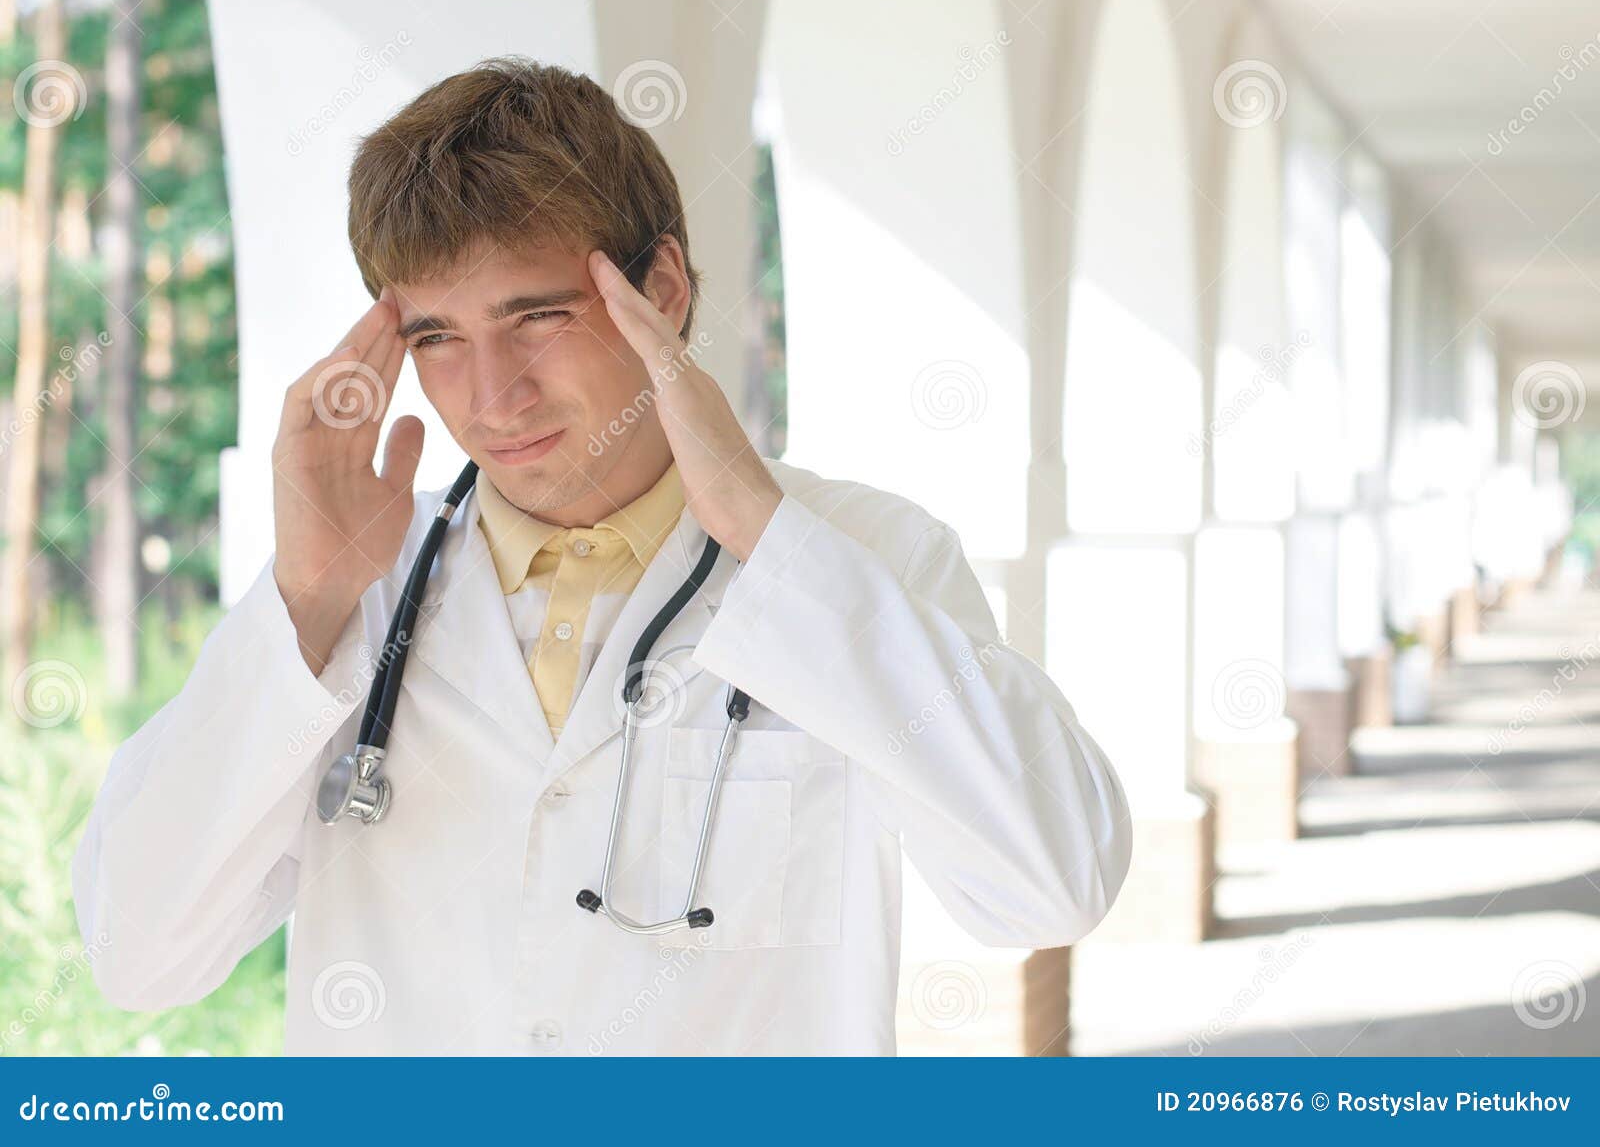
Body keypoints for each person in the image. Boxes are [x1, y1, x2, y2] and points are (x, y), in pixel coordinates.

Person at [71, 57, 1131, 1055]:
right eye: (437, 335)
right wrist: (304, 600)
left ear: (660, 288)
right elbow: (138, 950)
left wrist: (767, 539)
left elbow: (1052, 881)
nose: (492, 395)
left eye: (536, 315)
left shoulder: (859, 557)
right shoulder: (355, 590)